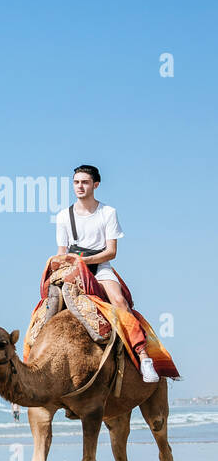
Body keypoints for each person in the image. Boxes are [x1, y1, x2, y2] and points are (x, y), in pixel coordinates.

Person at [56, 164, 158, 383]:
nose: (79, 186)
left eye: (84, 182)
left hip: (100, 268)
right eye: (76, 182)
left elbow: (111, 252)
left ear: (96, 185)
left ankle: (143, 357)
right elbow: (61, 252)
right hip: (74, 268)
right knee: (49, 304)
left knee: (119, 301)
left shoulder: (108, 213)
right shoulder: (64, 216)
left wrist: (86, 261)